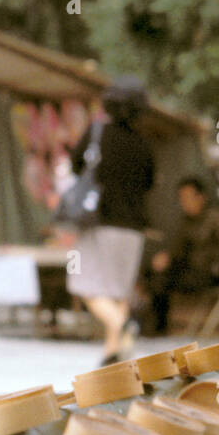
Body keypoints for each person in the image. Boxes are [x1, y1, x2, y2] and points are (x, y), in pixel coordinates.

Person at [66, 76, 154, 365]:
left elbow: (75, 166)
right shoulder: (143, 144)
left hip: (99, 223)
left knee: (86, 286)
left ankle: (121, 325)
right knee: (119, 292)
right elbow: (149, 183)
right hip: (133, 230)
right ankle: (114, 353)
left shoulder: (97, 133)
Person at [144, 175, 219, 335]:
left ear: (201, 197)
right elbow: (178, 251)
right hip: (191, 271)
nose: (184, 203)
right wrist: (166, 258)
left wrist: (215, 265)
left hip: (211, 273)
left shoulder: (216, 219)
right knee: (154, 274)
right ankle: (158, 328)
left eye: (188, 198)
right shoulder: (187, 222)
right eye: (181, 199)